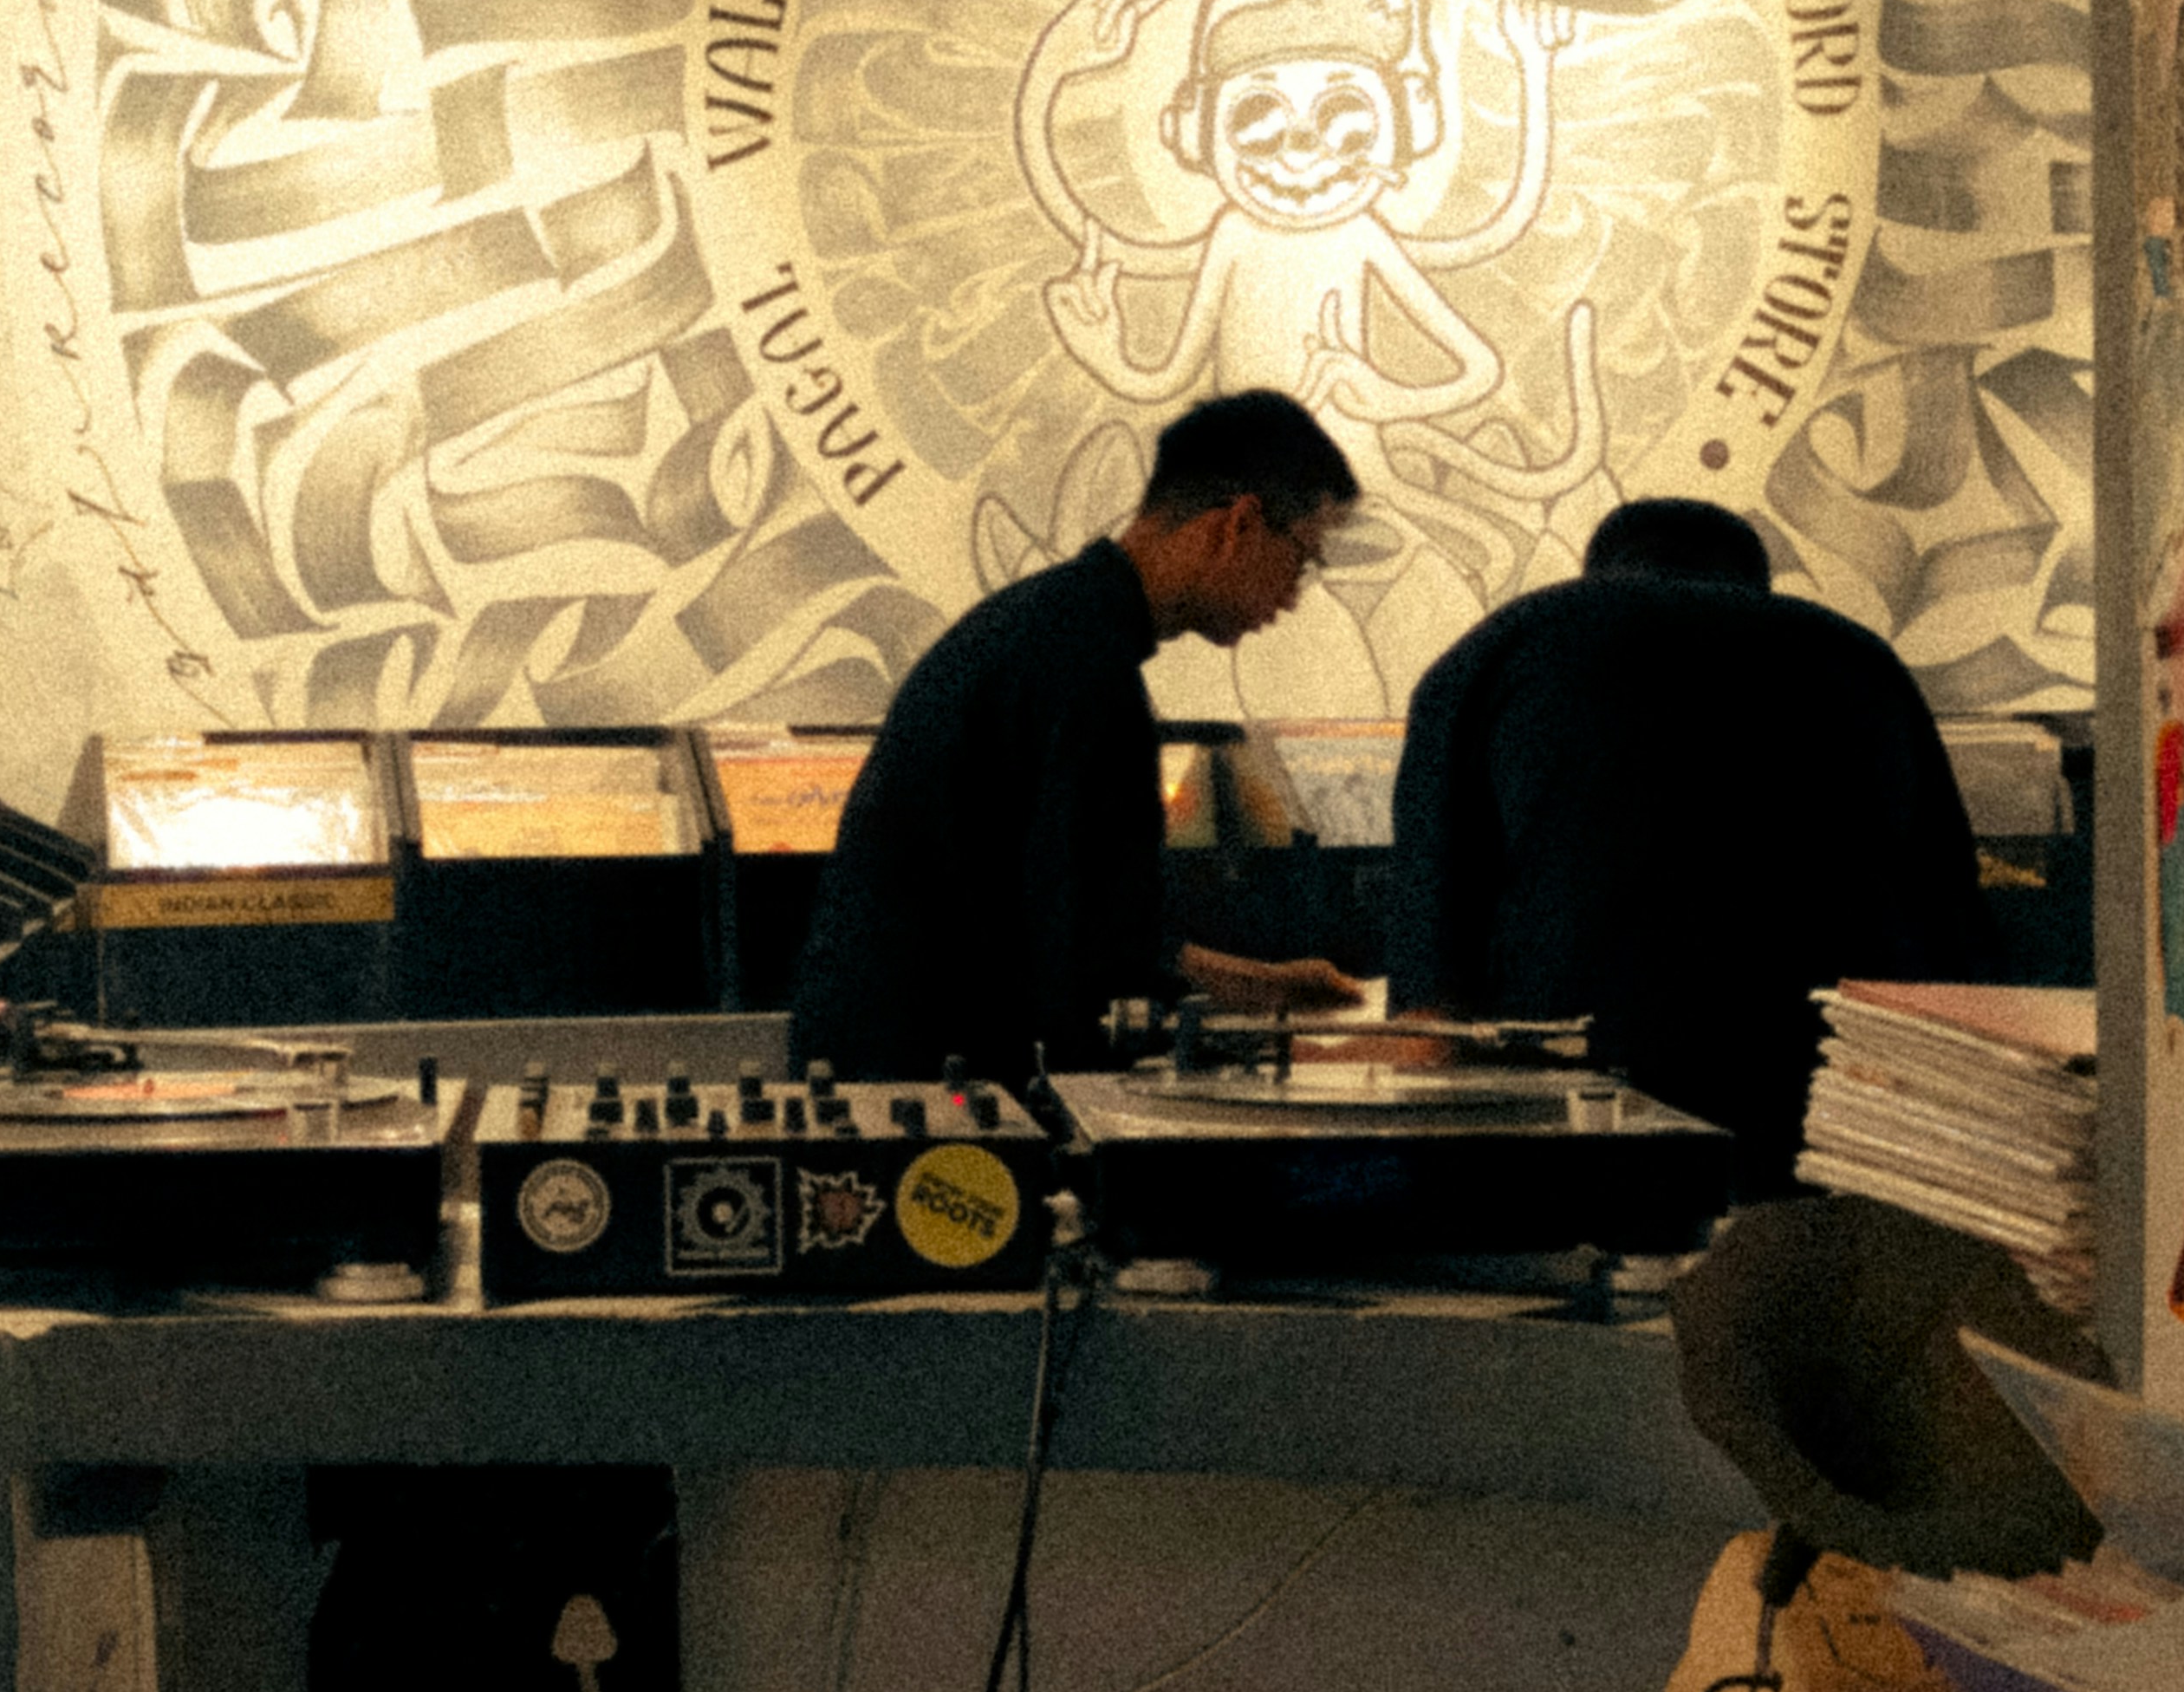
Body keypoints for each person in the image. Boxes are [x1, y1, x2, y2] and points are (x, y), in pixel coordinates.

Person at [1383, 496, 1988, 1197]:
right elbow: (1951, 918)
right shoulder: (1858, 657)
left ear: (1596, 575)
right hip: (1820, 1097)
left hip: (1586, 1096)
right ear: (1754, 584)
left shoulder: (1496, 649)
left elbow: (1431, 938)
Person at [788, 391, 1369, 1086]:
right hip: (939, 1100)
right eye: (1302, 559)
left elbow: (1095, 927)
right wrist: (1274, 1057)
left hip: (892, 1073)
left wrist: (1258, 986)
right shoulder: (1083, 672)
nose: (1294, 596)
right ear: (1238, 525)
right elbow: (1088, 976)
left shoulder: (1052, 631)